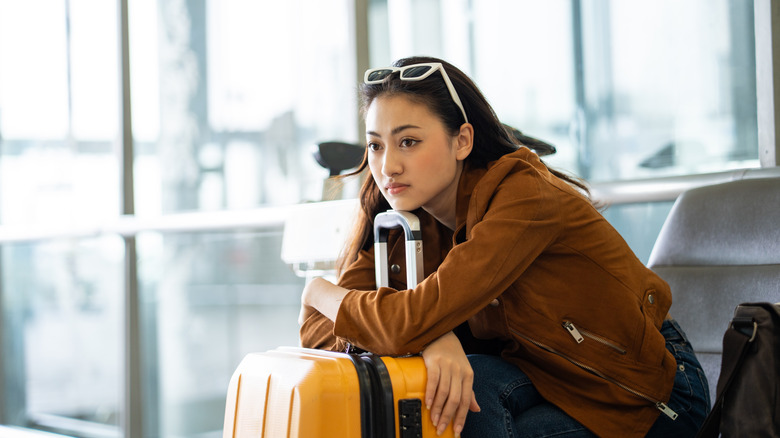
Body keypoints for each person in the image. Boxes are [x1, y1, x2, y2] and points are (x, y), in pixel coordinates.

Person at [298, 55, 710, 437]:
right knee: (447, 394)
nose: (387, 166)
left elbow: (389, 319)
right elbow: (319, 332)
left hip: (646, 390)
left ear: (462, 140)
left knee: (461, 404)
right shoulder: (410, 218)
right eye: (376, 145)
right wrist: (430, 338)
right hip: (544, 376)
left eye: (409, 142)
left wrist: (319, 290)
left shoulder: (522, 196)